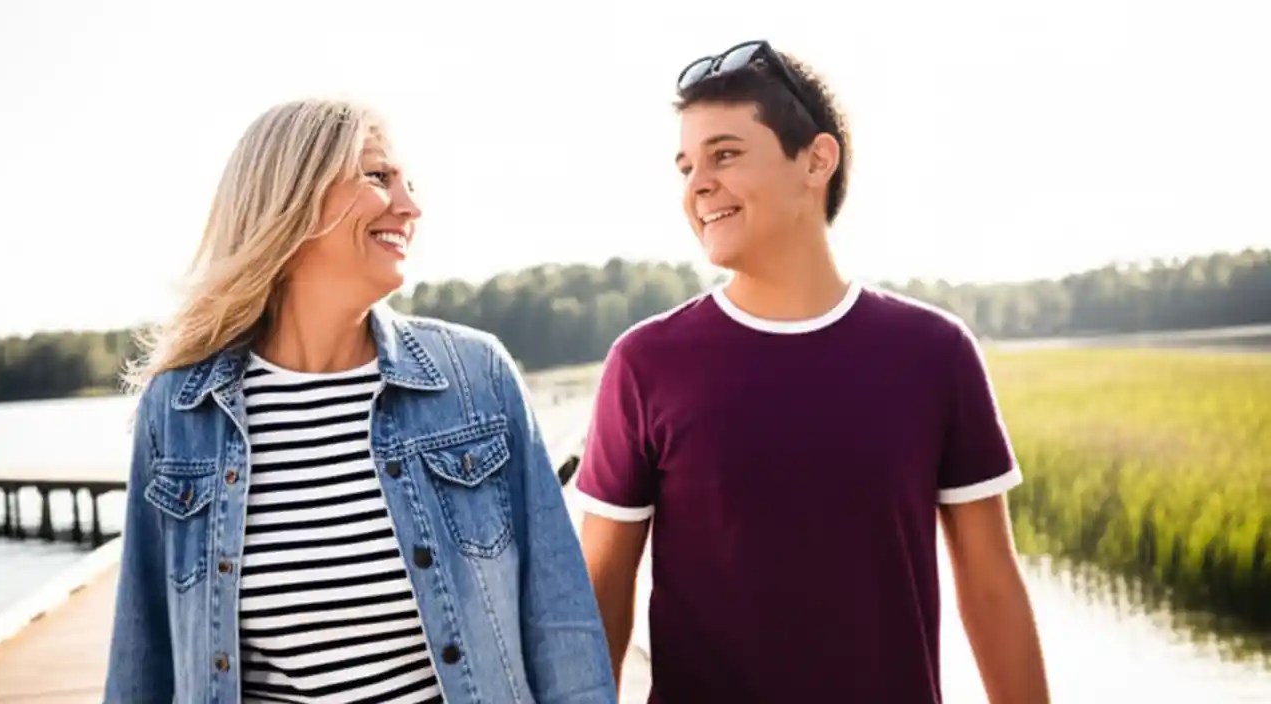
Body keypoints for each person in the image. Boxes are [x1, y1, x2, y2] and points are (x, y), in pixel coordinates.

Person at [575, 41, 1050, 703]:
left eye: (726, 154)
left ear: (816, 160)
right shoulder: (645, 363)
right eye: (686, 166)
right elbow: (600, 593)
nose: (697, 185)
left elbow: (992, 587)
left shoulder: (933, 352)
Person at [104, 99, 617, 704]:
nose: (410, 206)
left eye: (408, 182)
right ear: (290, 198)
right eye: (377, 177)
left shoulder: (476, 378)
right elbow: (142, 657)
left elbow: (562, 627)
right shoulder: (181, 410)